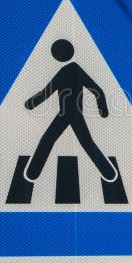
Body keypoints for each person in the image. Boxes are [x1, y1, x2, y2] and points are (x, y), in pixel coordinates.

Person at [24, 39, 117, 182]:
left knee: (49, 139)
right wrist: (103, 110)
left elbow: (46, 92)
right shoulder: (75, 70)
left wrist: (30, 104)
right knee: (84, 141)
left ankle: (32, 173)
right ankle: (108, 172)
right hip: (70, 114)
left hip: (66, 114)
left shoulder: (66, 72)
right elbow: (97, 90)